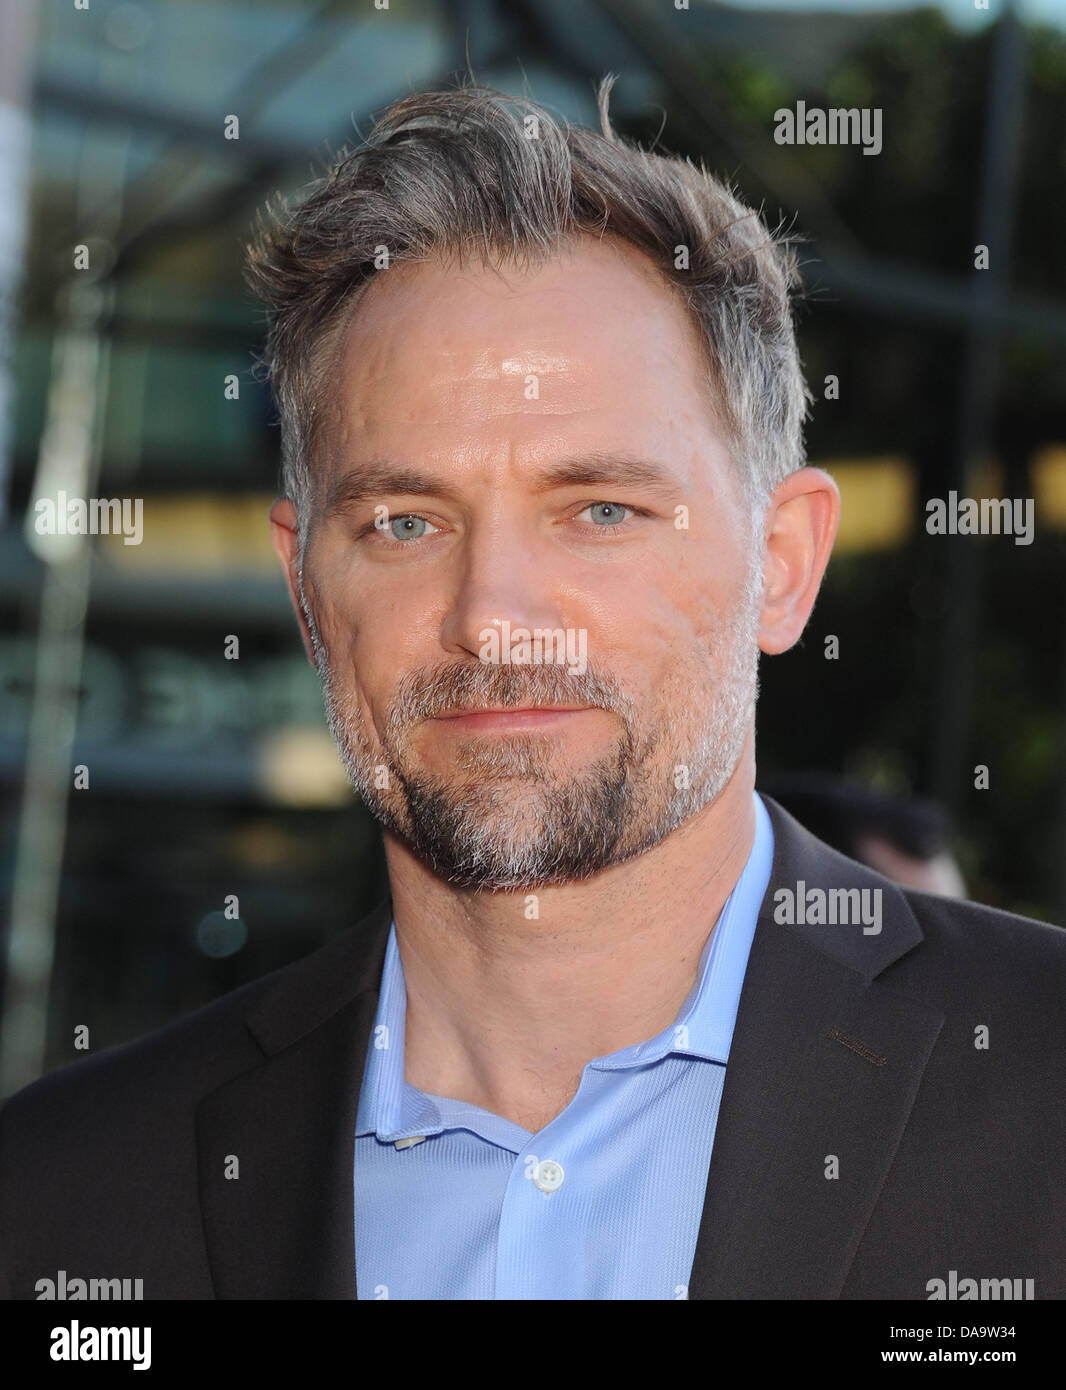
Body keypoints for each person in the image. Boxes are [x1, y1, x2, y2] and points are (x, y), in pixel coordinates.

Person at [2, 78, 1064, 1302]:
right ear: (305, 592)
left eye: (599, 510)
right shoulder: (59, 1204)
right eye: (404, 522)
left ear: (782, 566)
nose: (490, 614)